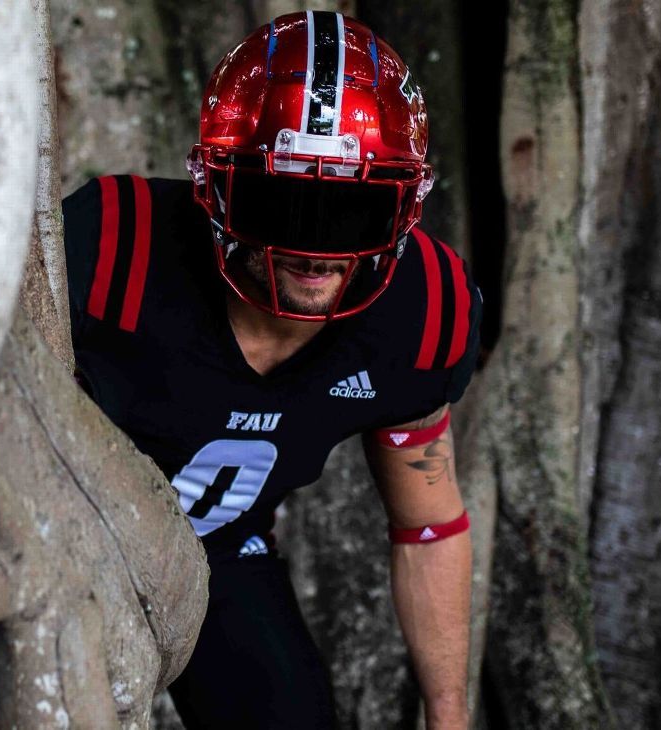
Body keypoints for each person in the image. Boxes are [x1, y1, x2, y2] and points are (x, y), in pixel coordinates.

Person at [61, 11, 481, 730]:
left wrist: (447, 714)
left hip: (220, 551)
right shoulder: (111, 247)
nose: (316, 249)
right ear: (216, 188)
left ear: (406, 205)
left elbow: (429, 521)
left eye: (351, 210)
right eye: (285, 203)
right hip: (62, 541)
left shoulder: (424, 309)